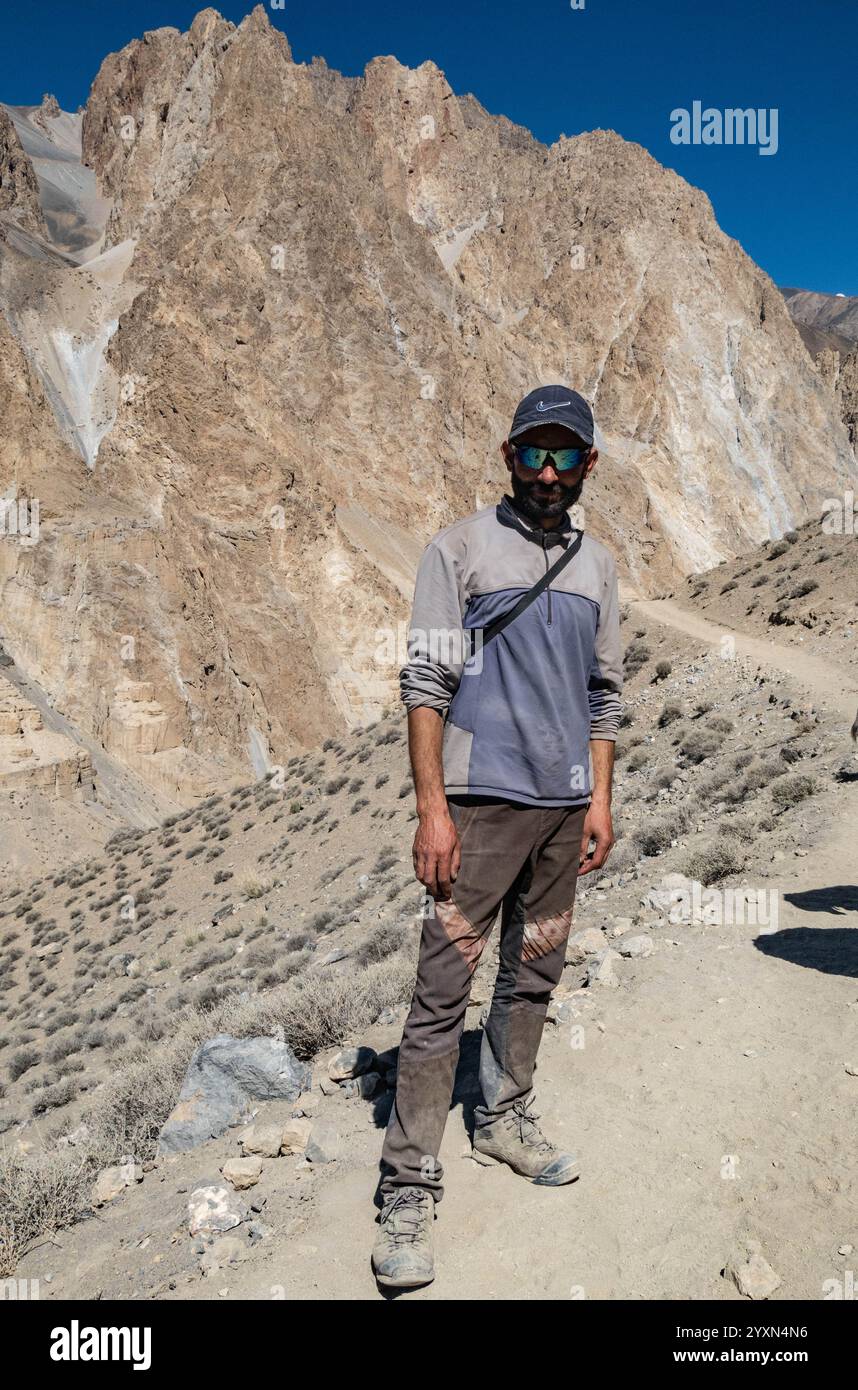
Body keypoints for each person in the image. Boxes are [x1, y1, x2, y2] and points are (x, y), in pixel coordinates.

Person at [372, 385, 623, 1290]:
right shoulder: (460, 550)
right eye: (534, 454)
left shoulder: (598, 566)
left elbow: (604, 694)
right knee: (444, 988)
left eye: (566, 456)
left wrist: (598, 797)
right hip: (478, 808)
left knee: (537, 969)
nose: (548, 473)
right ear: (509, 456)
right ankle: (407, 1183)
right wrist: (432, 808)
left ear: (588, 466)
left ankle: (505, 1117)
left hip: (563, 811)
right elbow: (427, 679)